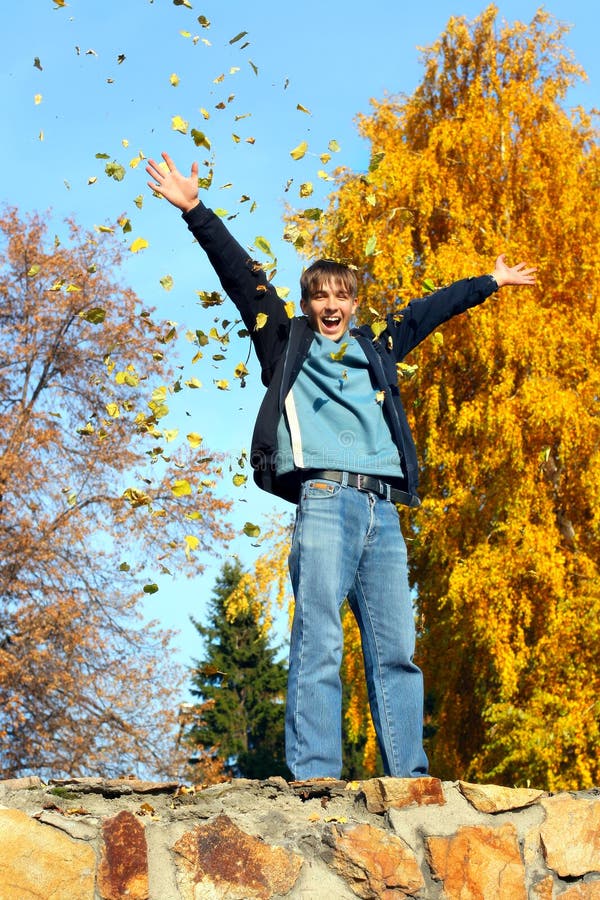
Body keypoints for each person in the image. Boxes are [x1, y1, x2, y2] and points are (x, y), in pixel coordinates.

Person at [146, 152, 537, 781]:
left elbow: (426, 313)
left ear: (355, 302)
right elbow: (243, 280)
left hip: (383, 509)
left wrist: (486, 284)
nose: (331, 305)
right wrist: (195, 210)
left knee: (397, 652)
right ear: (307, 302)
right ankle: (317, 778)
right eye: (320, 295)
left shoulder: (375, 349)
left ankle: (410, 780)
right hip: (325, 500)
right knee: (320, 639)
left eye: (341, 295)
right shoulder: (286, 339)